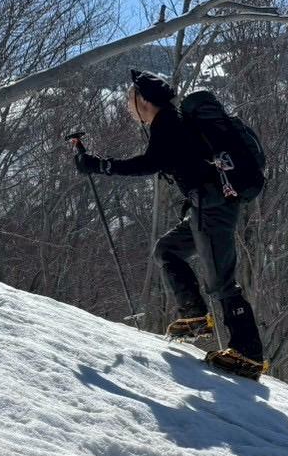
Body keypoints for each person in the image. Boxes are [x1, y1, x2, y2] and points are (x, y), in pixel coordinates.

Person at [74, 69, 266, 379]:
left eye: (129, 100)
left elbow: (148, 164)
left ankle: (249, 354)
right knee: (168, 250)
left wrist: (99, 165)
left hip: (213, 207)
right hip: (206, 206)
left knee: (221, 280)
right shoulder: (170, 123)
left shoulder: (169, 125)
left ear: (143, 101)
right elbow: (160, 161)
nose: (127, 107)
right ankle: (194, 316)